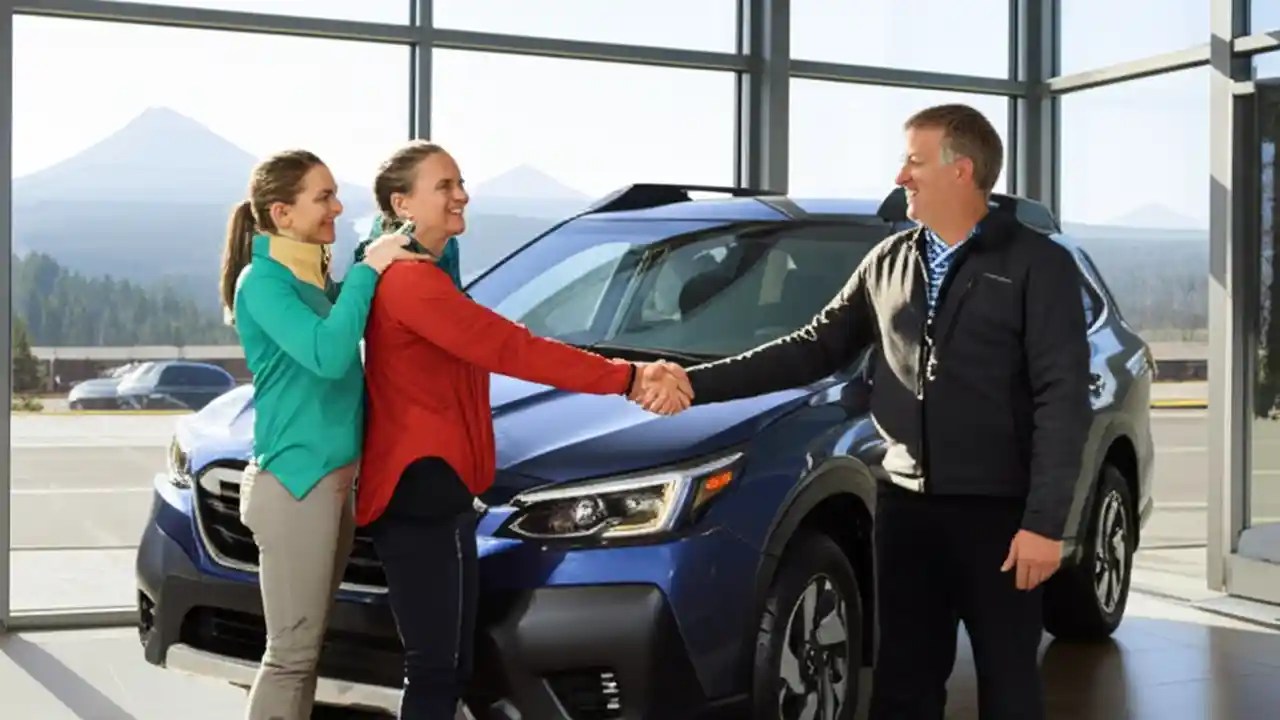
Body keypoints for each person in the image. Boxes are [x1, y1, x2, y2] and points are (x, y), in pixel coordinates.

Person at [643, 104, 1091, 720]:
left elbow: (1063, 400)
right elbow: (808, 348)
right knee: (903, 685)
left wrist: (1044, 524)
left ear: (962, 170)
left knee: (1010, 686)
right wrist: (693, 383)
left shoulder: (1039, 265)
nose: (900, 176)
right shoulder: (888, 263)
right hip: (906, 509)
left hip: (1002, 517)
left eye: (914, 160)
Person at [353, 139, 691, 719]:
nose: (462, 195)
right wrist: (628, 376)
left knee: (446, 665)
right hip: (423, 487)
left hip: (439, 485)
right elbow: (512, 348)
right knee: (437, 668)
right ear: (401, 204)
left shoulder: (423, 274)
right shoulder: (412, 284)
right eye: (445, 187)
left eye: (460, 182)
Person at [219, 148, 430, 720]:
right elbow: (330, 352)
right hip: (295, 485)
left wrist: (374, 254)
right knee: (289, 655)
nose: (338, 206)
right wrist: (367, 270)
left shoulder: (308, 275)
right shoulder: (261, 282)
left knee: (306, 652)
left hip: (332, 483)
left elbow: (346, 315)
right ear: (282, 213)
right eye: (324, 197)